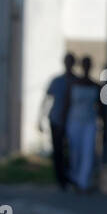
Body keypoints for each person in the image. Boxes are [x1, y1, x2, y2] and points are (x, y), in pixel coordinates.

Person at [65, 55, 102, 193]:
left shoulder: (95, 86)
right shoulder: (73, 84)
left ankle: (83, 182)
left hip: (89, 122)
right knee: (76, 152)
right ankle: (75, 178)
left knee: (88, 151)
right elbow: (67, 104)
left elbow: (101, 107)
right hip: (74, 121)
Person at [41, 53, 76, 190]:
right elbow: (46, 100)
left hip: (71, 120)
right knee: (58, 150)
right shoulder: (56, 80)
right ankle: (60, 179)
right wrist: (41, 118)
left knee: (70, 150)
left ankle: (69, 176)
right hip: (56, 119)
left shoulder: (76, 80)